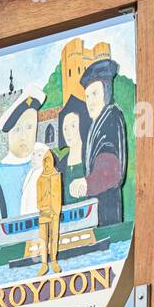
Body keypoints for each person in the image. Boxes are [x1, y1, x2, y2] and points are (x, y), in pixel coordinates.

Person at [0, 90, 46, 249]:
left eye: (29, 127)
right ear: (8, 133)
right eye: (17, 129)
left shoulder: (46, 166)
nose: (24, 136)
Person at [71, 58, 127, 226]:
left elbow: (110, 169)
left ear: (106, 92)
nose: (90, 101)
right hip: (95, 212)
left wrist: (86, 183)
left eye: (94, 94)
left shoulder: (111, 116)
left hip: (108, 210)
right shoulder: (94, 125)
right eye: (87, 96)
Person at [58, 95, 91, 204]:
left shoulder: (90, 156)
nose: (68, 132)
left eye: (73, 126)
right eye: (65, 128)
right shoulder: (61, 164)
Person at [35, 144, 62, 275]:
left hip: (54, 214)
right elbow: (38, 199)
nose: (46, 164)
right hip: (43, 213)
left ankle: (54, 261)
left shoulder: (57, 177)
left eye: (48, 161)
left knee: (54, 237)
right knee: (43, 239)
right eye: (44, 162)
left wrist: (54, 211)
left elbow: (58, 196)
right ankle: (44, 264)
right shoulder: (40, 179)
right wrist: (42, 207)